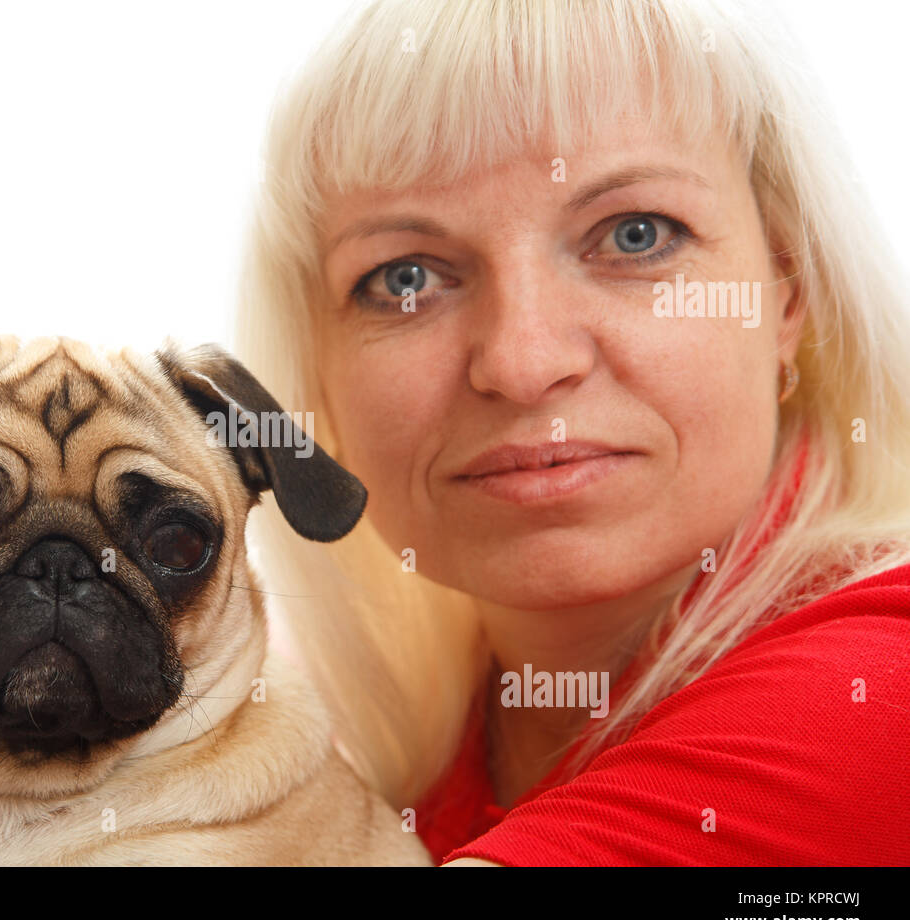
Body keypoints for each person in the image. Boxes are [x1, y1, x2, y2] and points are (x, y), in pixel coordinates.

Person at [234, 0, 910, 865]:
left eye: (637, 235)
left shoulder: (875, 690)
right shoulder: (407, 746)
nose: (522, 362)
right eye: (404, 277)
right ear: (316, 365)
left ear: (788, 291)